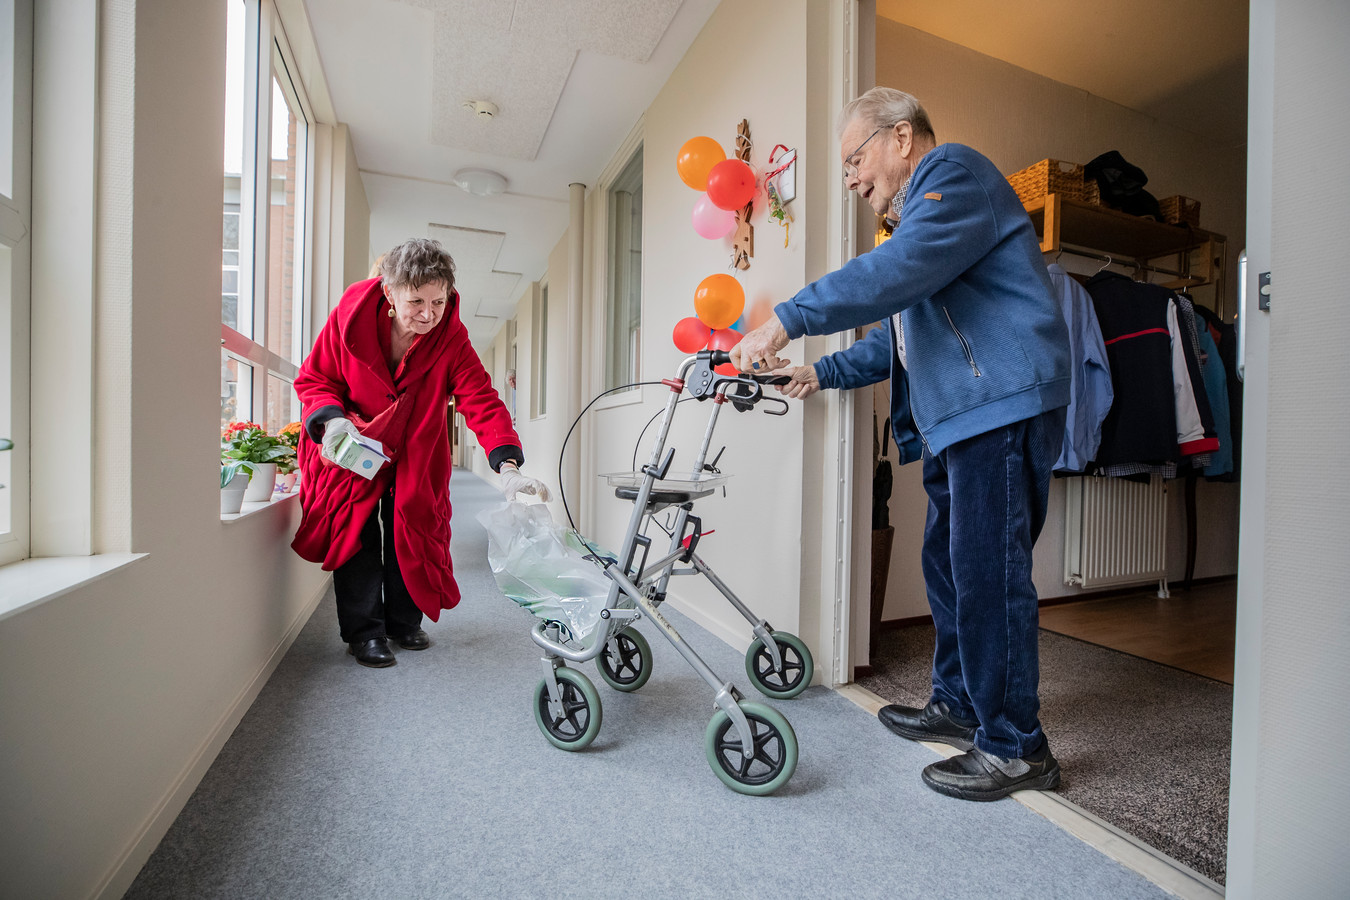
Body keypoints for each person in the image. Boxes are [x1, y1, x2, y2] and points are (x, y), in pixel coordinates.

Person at [731, 87, 1071, 801]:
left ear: (903, 138)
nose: (852, 177)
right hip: (959, 421)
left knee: (988, 576)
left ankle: (1016, 746)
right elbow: (900, 339)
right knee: (950, 571)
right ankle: (959, 703)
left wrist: (787, 319)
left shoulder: (954, 174)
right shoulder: (920, 235)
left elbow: (892, 277)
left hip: (996, 408)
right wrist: (819, 371)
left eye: (855, 157)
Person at [292, 238, 550, 668]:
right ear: (388, 291)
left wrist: (506, 464)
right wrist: (333, 421)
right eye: (416, 301)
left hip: (414, 449)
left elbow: (481, 398)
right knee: (356, 534)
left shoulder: (451, 337)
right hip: (354, 441)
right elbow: (316, 377)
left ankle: (403, 622)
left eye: (439, 301)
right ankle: (365, 632)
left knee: (411, 528)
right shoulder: (349, 317)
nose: (428, 314)